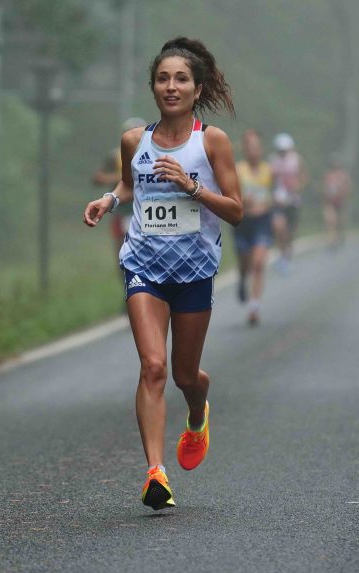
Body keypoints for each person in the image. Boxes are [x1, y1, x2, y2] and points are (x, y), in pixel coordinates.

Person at [83, 37, 242, 510]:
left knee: (185, 375)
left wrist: (191, 187)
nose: (171, 87)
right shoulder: (135, 141)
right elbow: (128, 183)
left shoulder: (211, 141)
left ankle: (198, 410)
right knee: (152, 367)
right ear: (153, 87)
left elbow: (235, 210)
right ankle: (156, 474)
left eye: (181, 79)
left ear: (197, 89)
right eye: (162, 79)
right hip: (144, 265)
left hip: (193, 270)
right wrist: (108, 200)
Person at [233, 129, 273, 325]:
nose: (253, 151)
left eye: (256, 147)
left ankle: (254, 307)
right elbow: (228, 193)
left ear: (261, 148)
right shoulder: (238, 169)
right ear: (244, 149)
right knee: (245, 263)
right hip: (242, 221)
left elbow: (275, 194)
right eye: (249, 147)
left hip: (262, 221)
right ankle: (242, 278)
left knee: (258, 263)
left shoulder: (268, 170)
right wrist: (241, 200)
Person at [92, 117, 147, 250]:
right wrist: (122, 177)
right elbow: (98, 178)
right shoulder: (116, 156)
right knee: (122, 245)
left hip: (147, 206)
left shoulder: (155, 153)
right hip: (122, 208)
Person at [269, 132, 308, 272]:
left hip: (293, 201)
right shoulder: (273, 161)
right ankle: (281, 256)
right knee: (279, 228)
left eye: (285, 150)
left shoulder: (297, 160)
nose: (283, 152)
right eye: (280, 150)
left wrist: (298, 187)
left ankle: (287, 256)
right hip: (279, 201)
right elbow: (269, 180)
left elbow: (304, 176)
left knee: (290, 232)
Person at [321, 153, 352, 250]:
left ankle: (340, 235)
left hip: (341, 201)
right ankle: (332, 240)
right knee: (331, 221)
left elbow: (348, 186)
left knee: (340, 222)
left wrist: (344, 194)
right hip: (330, 201)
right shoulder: (328, 175)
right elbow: (324, 187)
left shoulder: (343, 175)